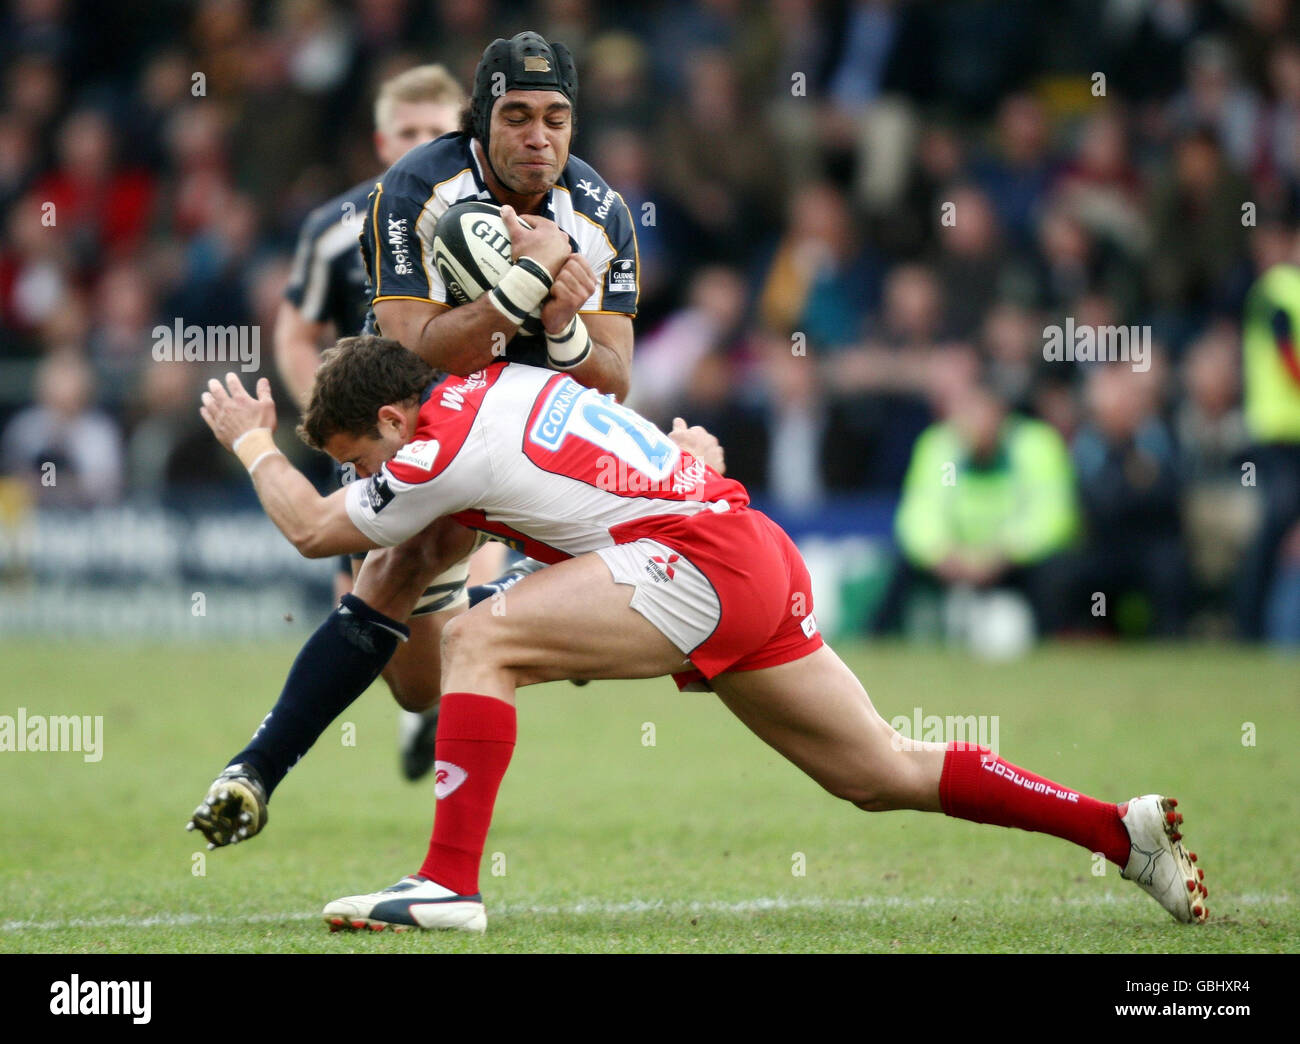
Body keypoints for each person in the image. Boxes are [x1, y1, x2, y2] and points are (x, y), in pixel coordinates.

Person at [193, 338, 1211, 932]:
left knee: (481, 644)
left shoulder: (436, 445)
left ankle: (448, 885)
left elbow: (311, 530)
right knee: (878, 771)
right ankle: (1118, 831)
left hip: (696, 564)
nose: (364, 479)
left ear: (392, 414)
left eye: (356, 455)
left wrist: (249, 442)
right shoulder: (505, 385)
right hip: (748, 547)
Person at [204, 30, 641, 801]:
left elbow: (615, 377)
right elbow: (415, 348)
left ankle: (252, 773)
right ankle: (517, 610)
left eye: (555, 117)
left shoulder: (602, 210)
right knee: (415, 685)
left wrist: (567, 327)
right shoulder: (410, 188)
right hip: (424, 410)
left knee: (409, 592)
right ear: (479, 118)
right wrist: (526, 285)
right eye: (515, 116)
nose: (538, 136)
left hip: (536, 424)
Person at [276, 63, 470, 781]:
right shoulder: (334, 229)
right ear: (384, 140)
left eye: (437, 131)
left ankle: (474, 685)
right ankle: (423, 704)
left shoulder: (484, 224)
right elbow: (296, 332)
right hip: (371, 441)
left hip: (462, 436)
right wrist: (330, 418)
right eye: (408, 132)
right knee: (374, 624)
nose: (422, 143)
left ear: (461, 137)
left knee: (474, 558)